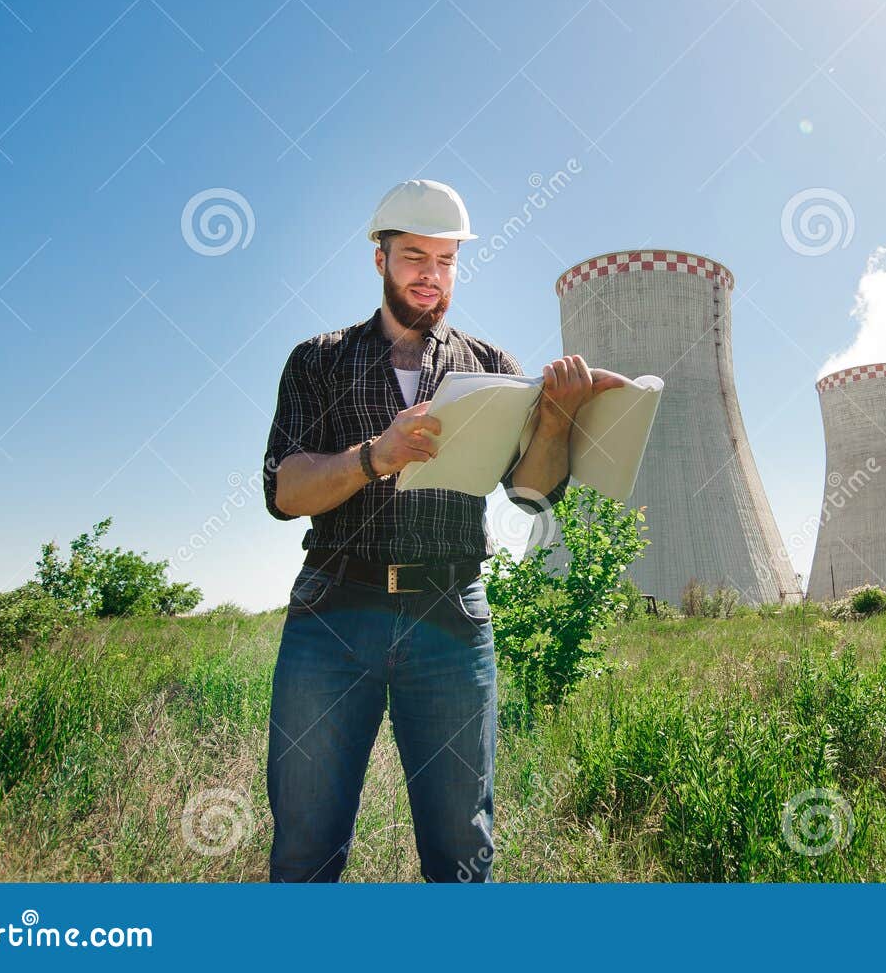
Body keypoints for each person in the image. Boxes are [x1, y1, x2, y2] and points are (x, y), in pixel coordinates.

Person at [260, 178, 621, 882]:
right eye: (414, 256)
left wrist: (555, 421)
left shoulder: (492, 368)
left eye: (446, 260)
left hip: (450, 616)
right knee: (305, 849)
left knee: (461, 852)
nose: (430, 274)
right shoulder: (318, 360)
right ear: (380, 258)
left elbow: (532, 493)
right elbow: (284, 489)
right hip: (333, 611)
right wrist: (376, 457)